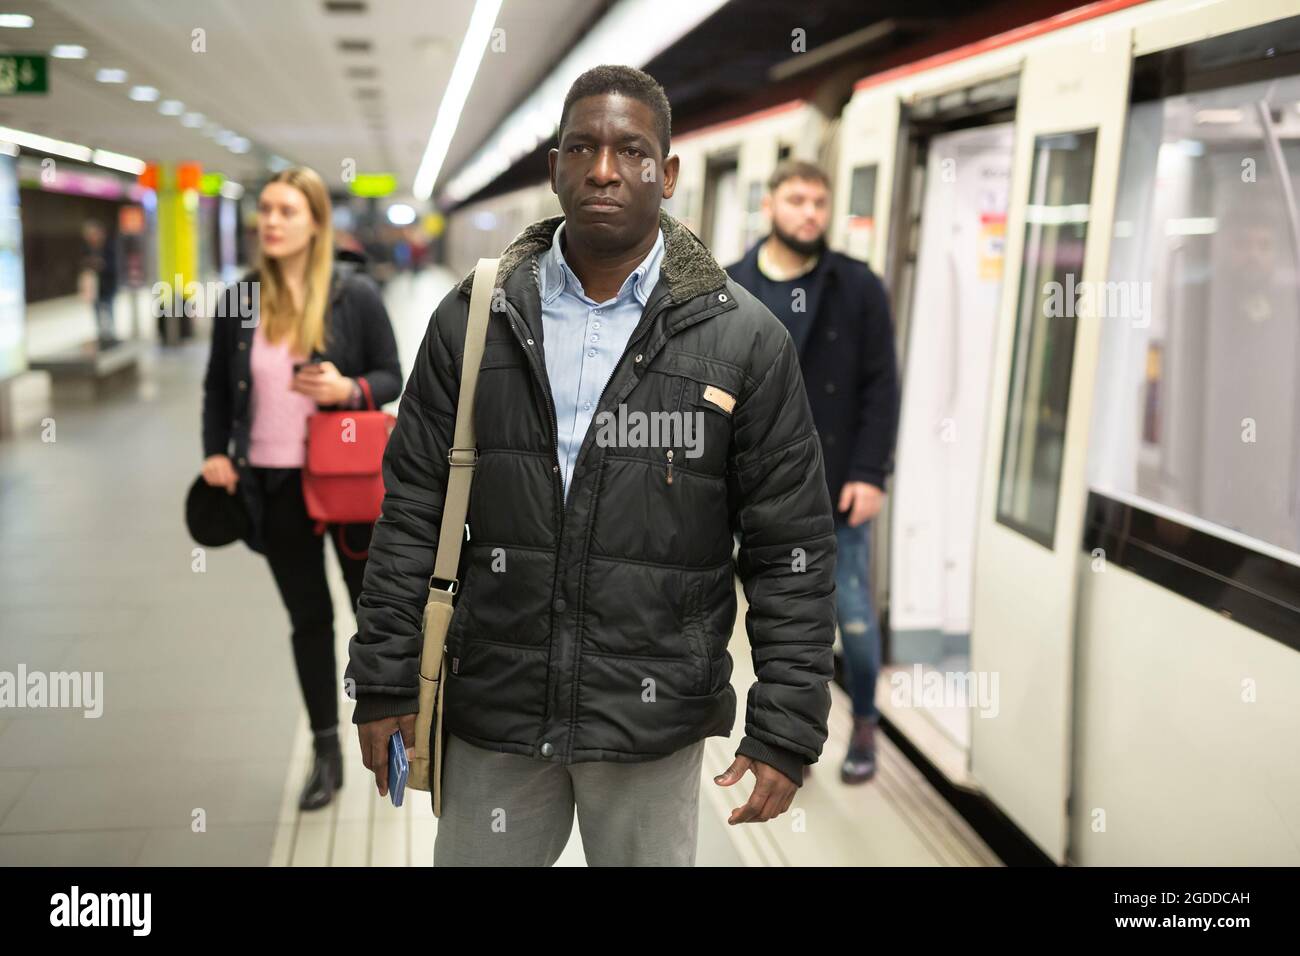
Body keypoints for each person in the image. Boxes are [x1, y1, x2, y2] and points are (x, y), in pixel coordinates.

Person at [346, 65, 836, 866]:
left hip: (651, 719)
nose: (605, 169)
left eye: (632, 151)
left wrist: (787, 720)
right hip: (494, 706)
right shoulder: (476, 319)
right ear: (555, 167)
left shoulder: (743, 341)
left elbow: (791, 547)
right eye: (582, 147)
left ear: (667, 173)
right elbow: (412, 510)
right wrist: (386, 678)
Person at [200, 166, 401, 810]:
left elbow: (392, 374)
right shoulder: (242, 297)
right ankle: (325, 752)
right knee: (308, 621)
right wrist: (214, 453)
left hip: (342, 481)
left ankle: (390, 734)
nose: (273, 221)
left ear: (316, 220)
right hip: (272, 486)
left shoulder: (354, 295)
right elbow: (214, 386)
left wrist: (350, 390)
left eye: (287, 210)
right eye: (266, 209)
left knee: (372, 617)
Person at [725, 160, 900, 784]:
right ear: (770, 205)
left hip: (835, 488)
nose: (810, 213)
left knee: (850, 610)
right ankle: (781, 730)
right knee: (766, 611)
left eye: (820, 203)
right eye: (797, 199)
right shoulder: (732, 284)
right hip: (752, 488)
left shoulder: (857, 286)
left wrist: (871, 471)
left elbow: (882, 385)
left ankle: (866, 725)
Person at [80, 220, 118, 348]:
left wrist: (102, 265)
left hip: (107, 285)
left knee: (108, 308)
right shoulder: (88, 248)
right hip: (95, 287)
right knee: (96, 309)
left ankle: (110, 334)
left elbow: (114, 266)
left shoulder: (109, 247)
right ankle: (101, 333)